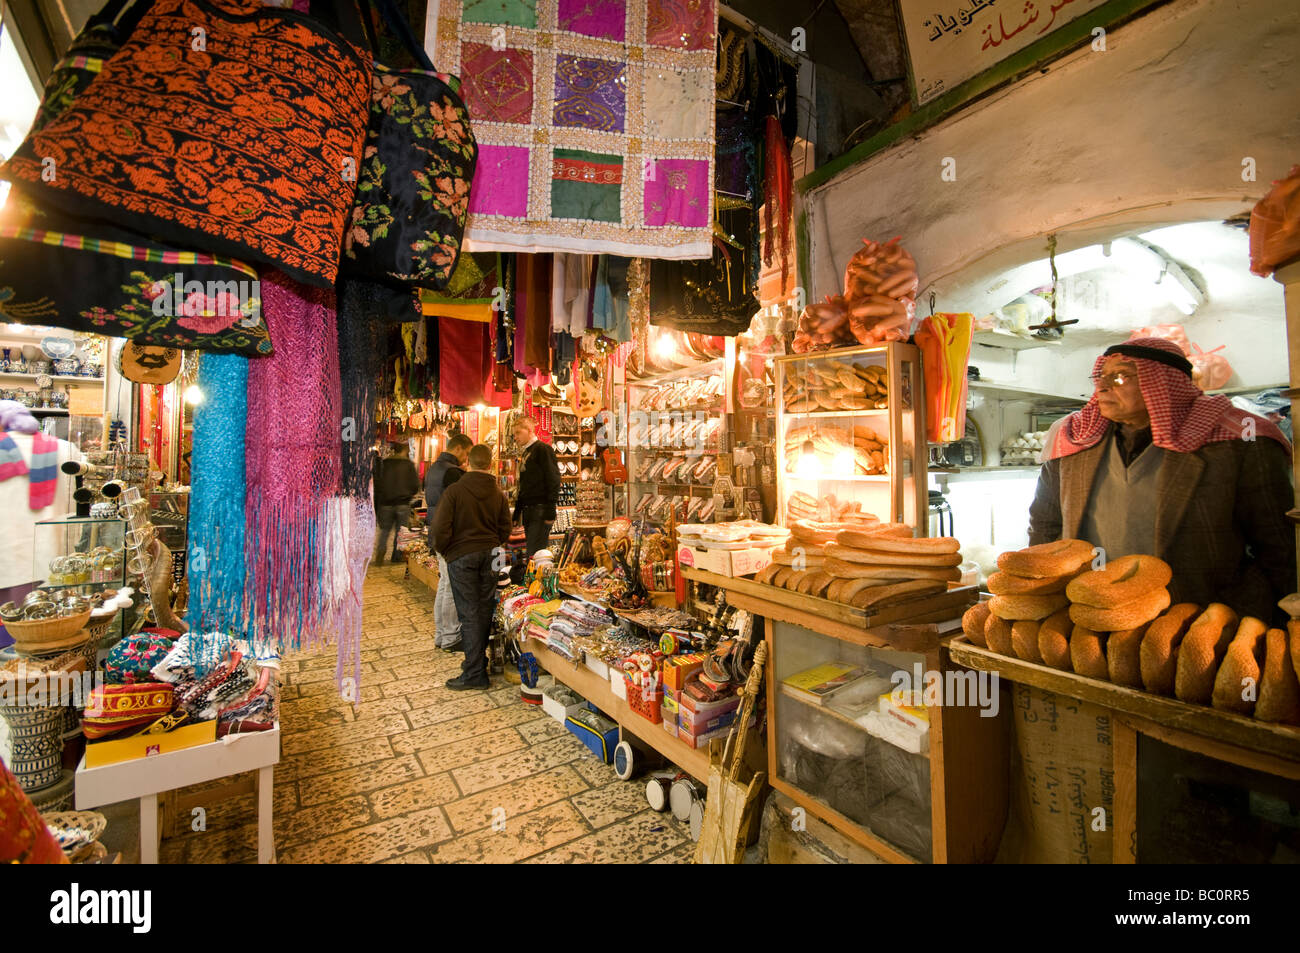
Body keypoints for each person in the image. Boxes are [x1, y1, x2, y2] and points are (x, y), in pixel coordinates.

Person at [1029, 337, 1294, 621]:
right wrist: (1042, 599)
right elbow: (1045, 527)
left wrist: (1244, 616)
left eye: (1120, 377)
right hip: (1089, 616)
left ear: (1166, 384)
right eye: (1100, 376)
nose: (1102, 386)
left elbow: (1280, 548)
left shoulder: (1239, 441)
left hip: (1195, 621)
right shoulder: (1074, 439)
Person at [431, 443, 512, 690]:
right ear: (490, 464)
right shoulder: (497, 493)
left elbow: (440, 528)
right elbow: (505, 528)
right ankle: (477, 664)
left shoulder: (455, 491)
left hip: (462, 556)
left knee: (468, 613)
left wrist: (448, 552)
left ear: (468, 462)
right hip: (490, 554)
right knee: (484, 608)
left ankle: (475, 672)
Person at [426, 432, 473, 651]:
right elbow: (463, 505)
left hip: (437, 531)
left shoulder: (435, 468)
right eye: (467, 453)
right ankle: (451, 636)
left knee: (445, 584)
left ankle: (442, 634)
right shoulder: (453, 472)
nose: (467, 458)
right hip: (450, 535)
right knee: (453, 586)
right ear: (459, 449)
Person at [510, 416, 560, 559]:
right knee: (532, 552)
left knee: (535, 554)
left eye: (518, 433)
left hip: (540, 509)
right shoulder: (527, 452)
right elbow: (525, 484)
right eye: (514, 434)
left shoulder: (542, 450)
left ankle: (536, 581)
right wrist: (518, 511)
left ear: (530, 430)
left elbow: (553, 479)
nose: (515, 437)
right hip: (530, 510)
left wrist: (550, 510)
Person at [373, 441, 419, 565]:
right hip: (403, 503)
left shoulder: (385, 463)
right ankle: (397, 556)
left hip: (386, 503)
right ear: (404, 451)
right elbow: (415, 484)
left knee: (385, 530)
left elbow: (378, 483)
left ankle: (381, 552)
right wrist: (410, 494)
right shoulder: (408, 465)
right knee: (401, 531)